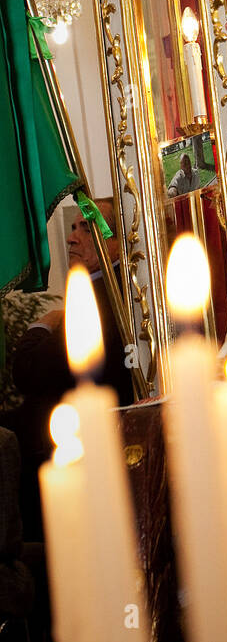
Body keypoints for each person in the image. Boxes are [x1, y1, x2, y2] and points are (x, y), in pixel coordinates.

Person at [0, 198, 135, 539]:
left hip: (76, 474)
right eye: (73, 227)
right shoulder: (94, 291)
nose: (71, 238)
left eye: (86, 229)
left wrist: (42, 324)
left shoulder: (108, 300)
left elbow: (28, 369)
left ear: (117, 244)